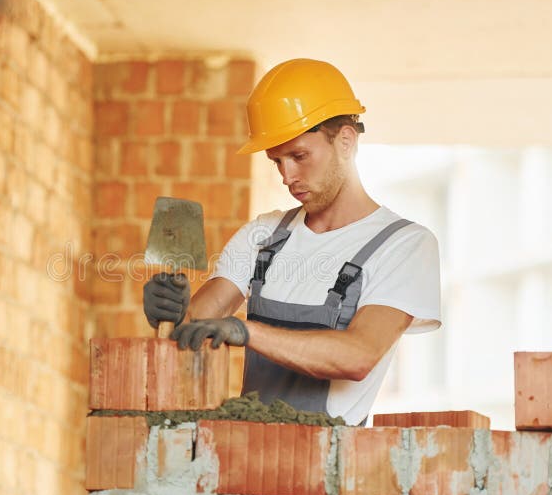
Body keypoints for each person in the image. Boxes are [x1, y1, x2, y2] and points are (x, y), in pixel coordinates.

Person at [143, 58, 441, 426]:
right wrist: (171, 312)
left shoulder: (404, 246)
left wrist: (245, 331)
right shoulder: (263, 235)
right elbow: (200, 322)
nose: (288, 176)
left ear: (345, 141)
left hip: (329, 466)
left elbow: (358, 356)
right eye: (277, 162)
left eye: (299, 156)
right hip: (245, 454)